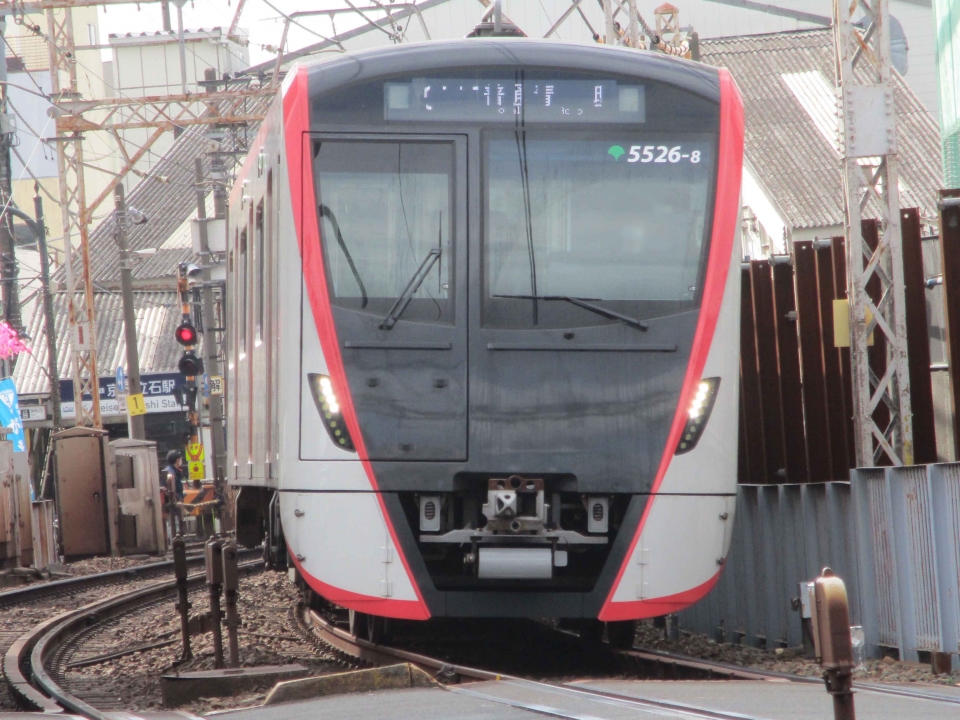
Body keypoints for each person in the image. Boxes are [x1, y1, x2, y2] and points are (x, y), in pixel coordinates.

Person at [163, 449, 185, 537]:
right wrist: (177, 499)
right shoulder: (170, 473)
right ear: (177, 460)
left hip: (176, 502)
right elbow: (168, 490)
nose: (181, 460)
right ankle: (173, 544)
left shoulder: (174, 471)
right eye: (180, 459)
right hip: (171, 504)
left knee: (175, 524)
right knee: (173, 525)